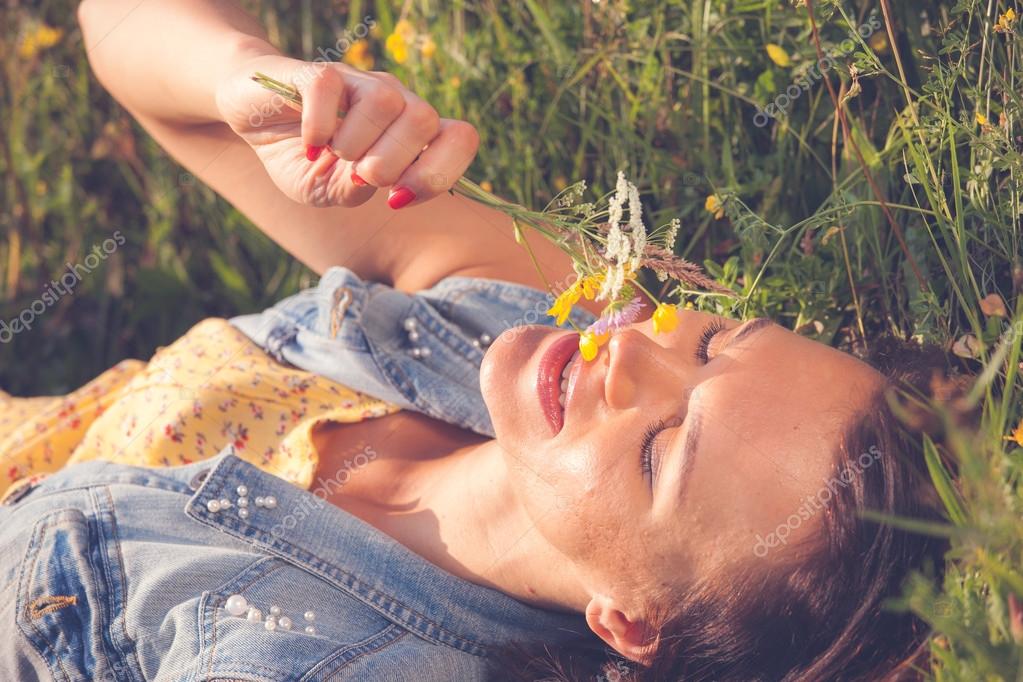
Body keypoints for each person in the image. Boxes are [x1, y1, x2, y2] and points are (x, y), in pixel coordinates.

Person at [0, 2, 949, 680]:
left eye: (660, 454)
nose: (625, 353)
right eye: (711, 345)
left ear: (629, 626)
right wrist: (258, 82)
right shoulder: (520, 313)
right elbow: (115, 21)